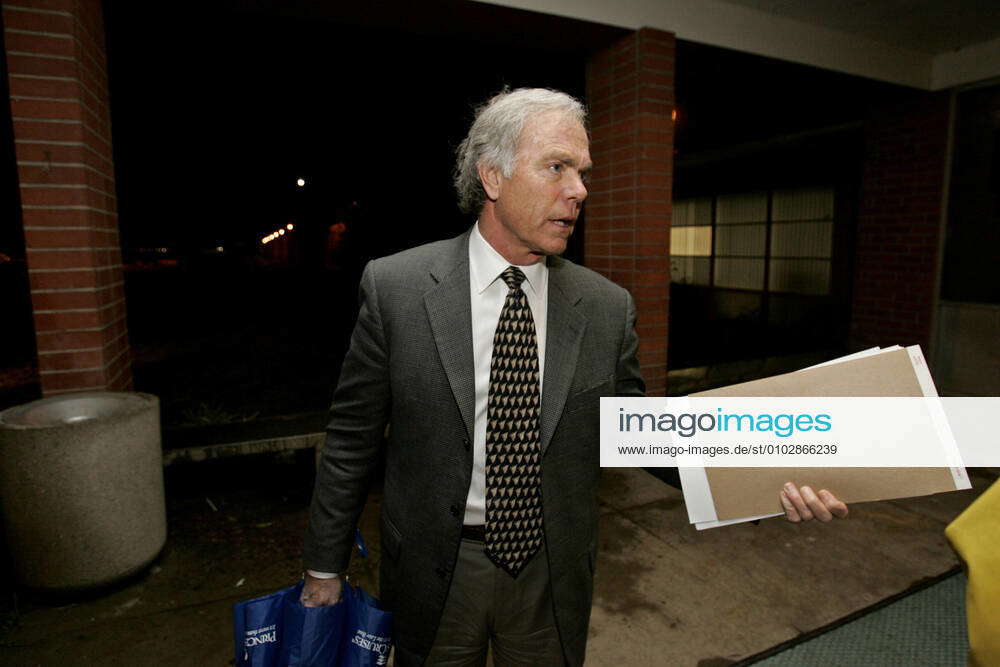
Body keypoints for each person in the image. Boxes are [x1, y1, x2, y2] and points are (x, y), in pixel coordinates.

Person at [300, 88, 848, 666]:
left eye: (582, 172)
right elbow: (351, 438)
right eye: (556, 167)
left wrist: (766, 481)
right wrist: (323, 565)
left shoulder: (605, 307)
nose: (579, 190)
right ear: (492, 177)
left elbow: (642, 435)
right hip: (432, 568)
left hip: (550, 573)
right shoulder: (398, 288)